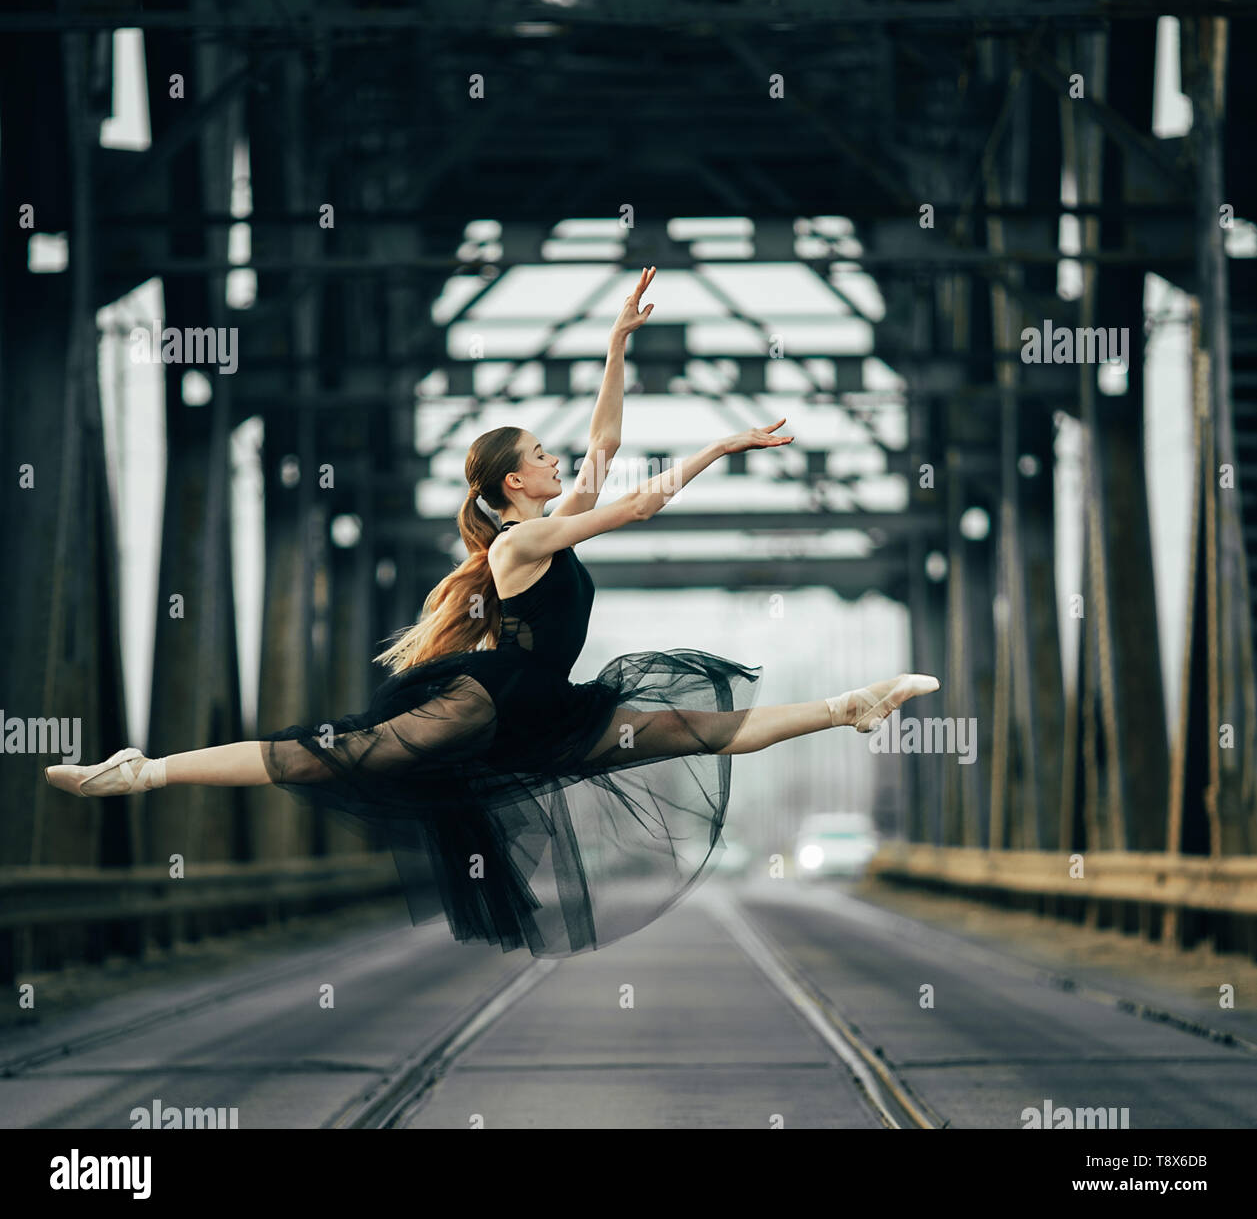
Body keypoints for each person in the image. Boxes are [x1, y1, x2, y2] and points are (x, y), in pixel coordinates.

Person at [47, 267, 939, 956]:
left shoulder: (546, 528)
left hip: (546, 709)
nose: (559, 465)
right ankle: (141, 771)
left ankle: (848, 707)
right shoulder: (518, 548)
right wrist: (722, 442)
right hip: (488, 701)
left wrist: (616, 346)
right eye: (541, 459)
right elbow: (633, 503)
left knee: (698, 727)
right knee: (333, 755)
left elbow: (605, 450)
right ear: (515, 483)